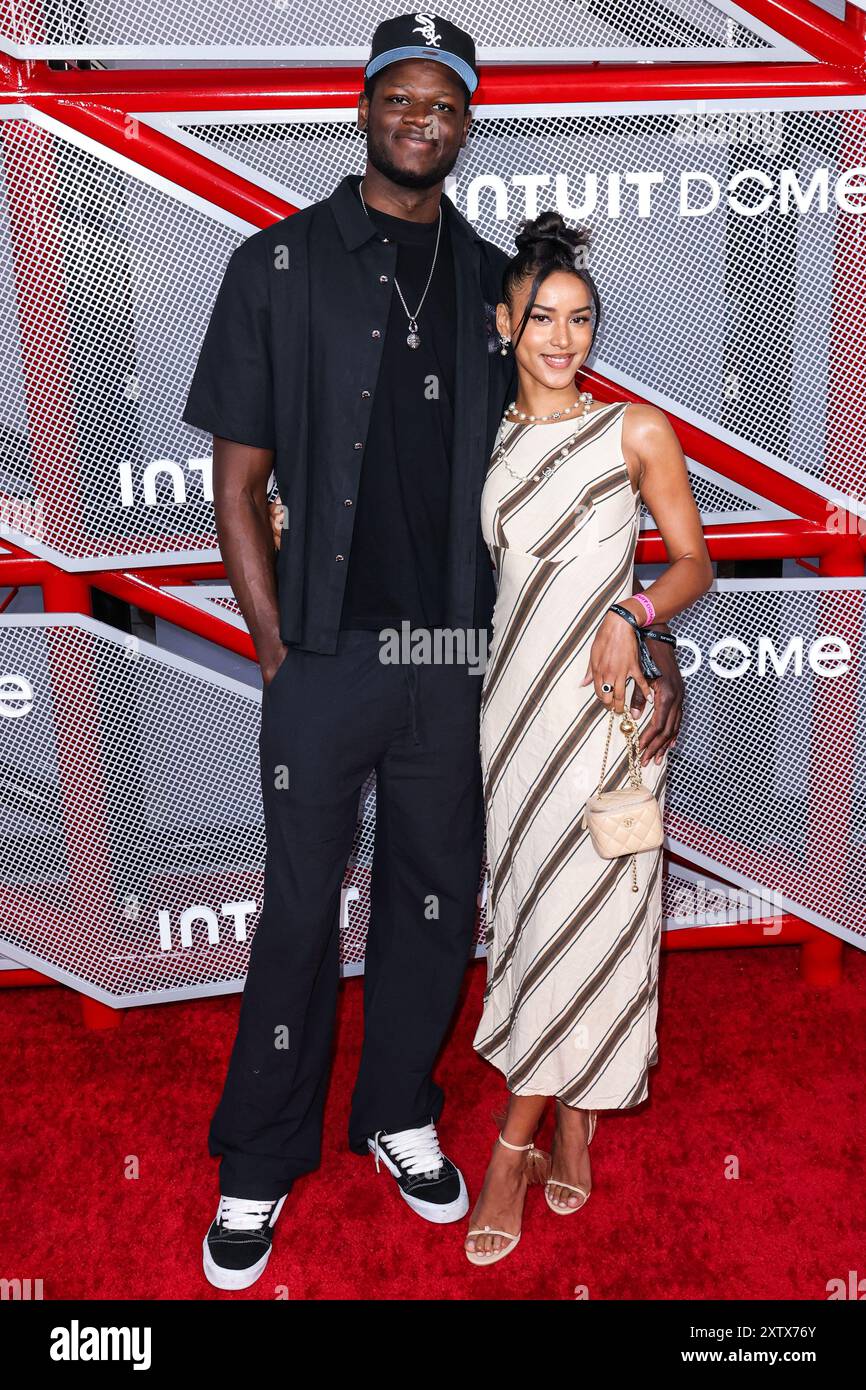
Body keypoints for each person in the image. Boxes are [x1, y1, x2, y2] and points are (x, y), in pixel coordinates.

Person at [184, 12, 682, 1292]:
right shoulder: (274, 265)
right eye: (399, 97)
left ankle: (398, 1107)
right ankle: (257, 1161)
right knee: (298, 909)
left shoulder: (486, 287)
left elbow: (584, 502)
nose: (420, 118)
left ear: (467, 122)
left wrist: (648, 640)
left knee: (429, 901)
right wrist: (280, 648)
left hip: (460, 656)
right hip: (324, 657)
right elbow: (238, 484)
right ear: (363, 106)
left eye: (443, 103)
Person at [460, 211, 713, 1265]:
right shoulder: (481, 436)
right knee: (531, 920)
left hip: (600, 726)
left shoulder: (632, 432)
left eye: (578, 319)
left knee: (598, 922)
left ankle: (514, 1145)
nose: (562, 339)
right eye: (539, 320)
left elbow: (691, 564)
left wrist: (636, 619)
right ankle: (569, 1113)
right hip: (512, 727)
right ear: (504, 326)